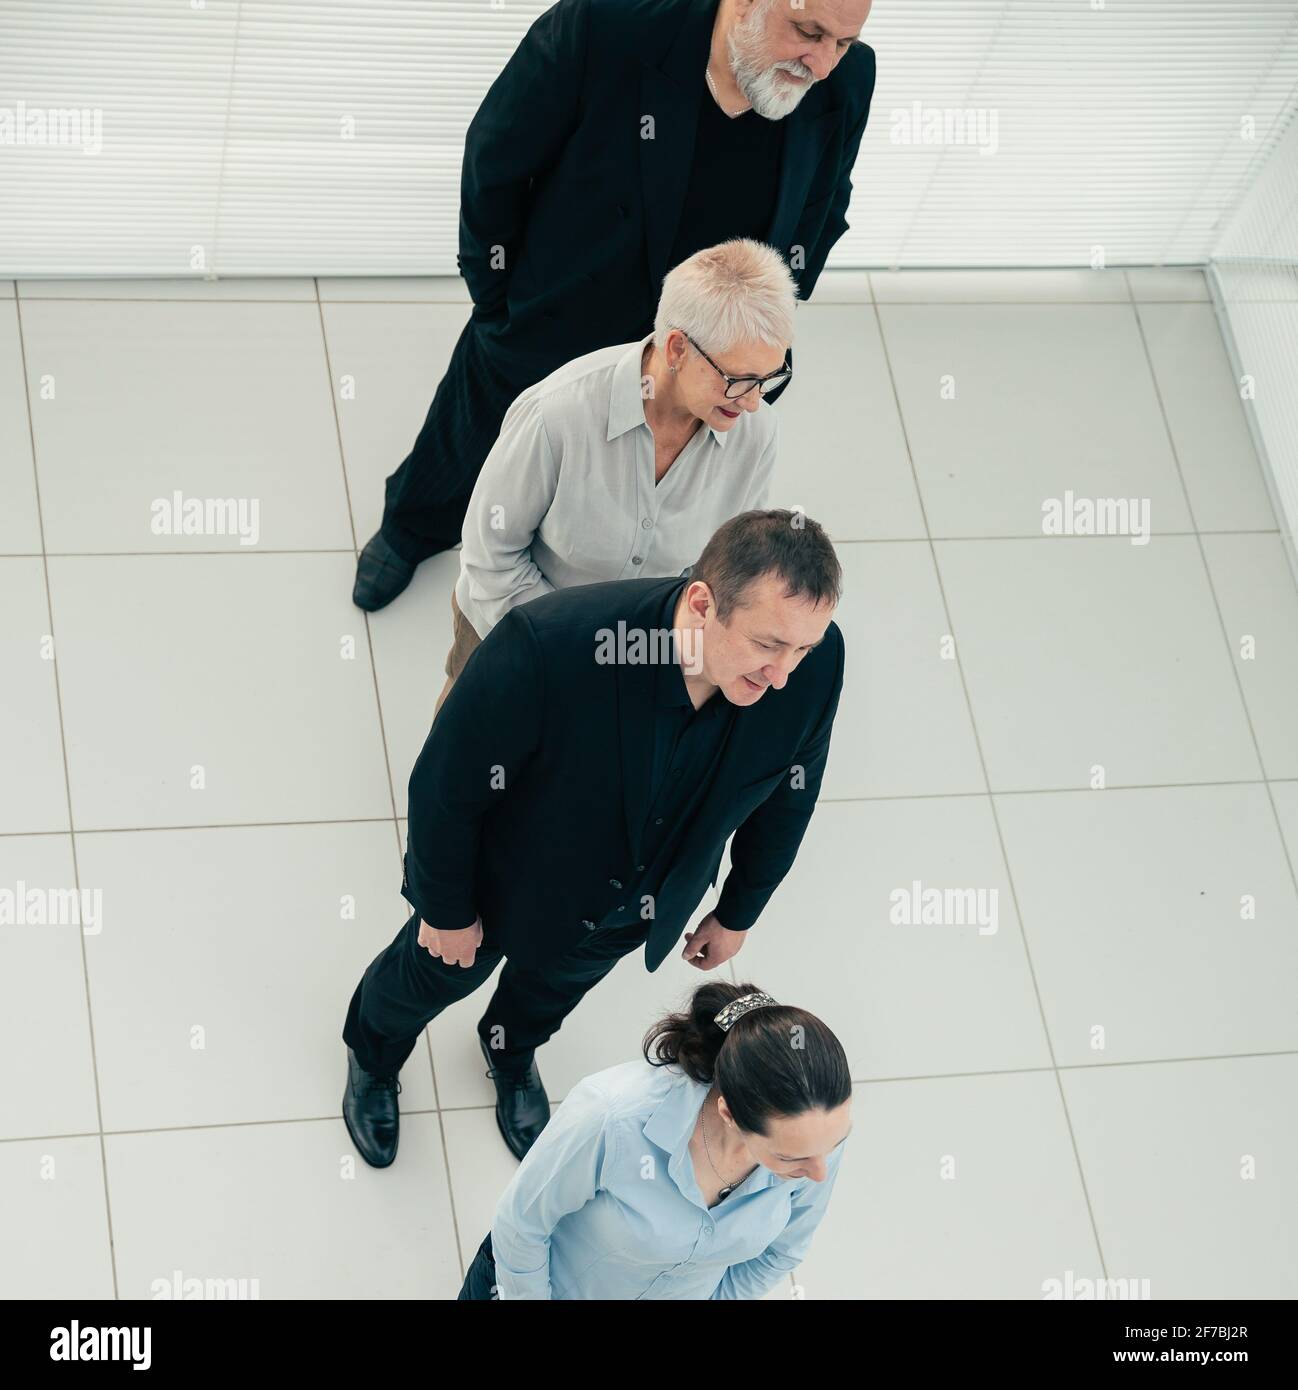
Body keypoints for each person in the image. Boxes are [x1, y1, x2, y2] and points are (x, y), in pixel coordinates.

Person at [342, 509, 845, 1168]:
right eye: (767, 645)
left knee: (548, 995)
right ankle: (374, 1057)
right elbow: (445, 788)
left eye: (802, 648)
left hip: (628, 912)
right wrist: (444, 907)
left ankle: (510, 1051)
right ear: (702, 604)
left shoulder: (813, 663)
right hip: (496, 892)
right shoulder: (552, 647)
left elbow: (789, 797)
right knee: (422, 980)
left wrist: (737, 909)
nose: (784, 675)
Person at [352, 0, 876, 612]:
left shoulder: (848, 75)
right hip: (561, 312)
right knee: (481, 422)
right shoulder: (604, 27)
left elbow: (826, 197)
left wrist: (781, 299)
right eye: (809, 32)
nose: (822, 62)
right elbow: (496, 159)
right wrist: (496, 301)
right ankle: (412, 527)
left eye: (842, 42)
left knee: (651, 460)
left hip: (706, 345)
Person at [435, 237, 796, 717]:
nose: (753, 402)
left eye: (770, 378)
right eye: (739, 380)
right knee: (472, 745)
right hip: (514, 632)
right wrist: (576, 651)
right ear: (676, 349)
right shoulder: (557, 415)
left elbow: (719, 563)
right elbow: (490, 560)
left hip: (636, 661)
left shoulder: (755, 431)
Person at [457, 983, 853, 1300]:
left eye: (833, 1147)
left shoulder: (814, 1139)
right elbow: (521, 1225)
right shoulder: (612, 1116)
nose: (818, 1174)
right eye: (791, 1158)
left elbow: (782, 1251)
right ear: (729, 1114)